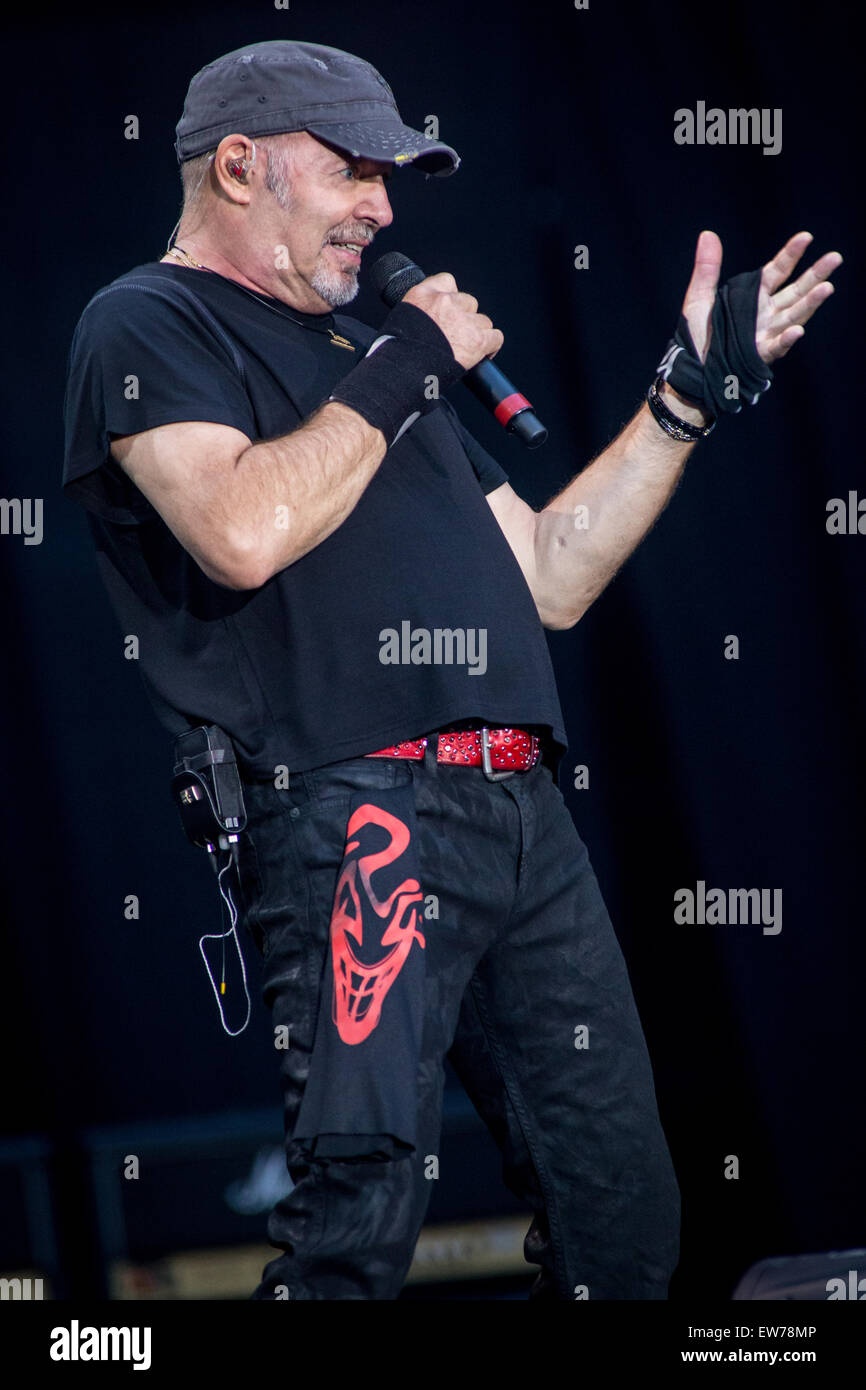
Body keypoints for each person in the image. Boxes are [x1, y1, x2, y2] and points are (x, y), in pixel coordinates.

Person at [62, 40, 840, 1300]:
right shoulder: (150, 319)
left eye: (391, 174)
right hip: (351, 814)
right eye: (354, 168)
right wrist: (406, 364)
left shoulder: (374, 360)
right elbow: (239, 529)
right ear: (242, 165)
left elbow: (546, 577)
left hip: (518, 814)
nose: (382, 204)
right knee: (354, 1225)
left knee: (624, 1216)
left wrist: (683, 397)